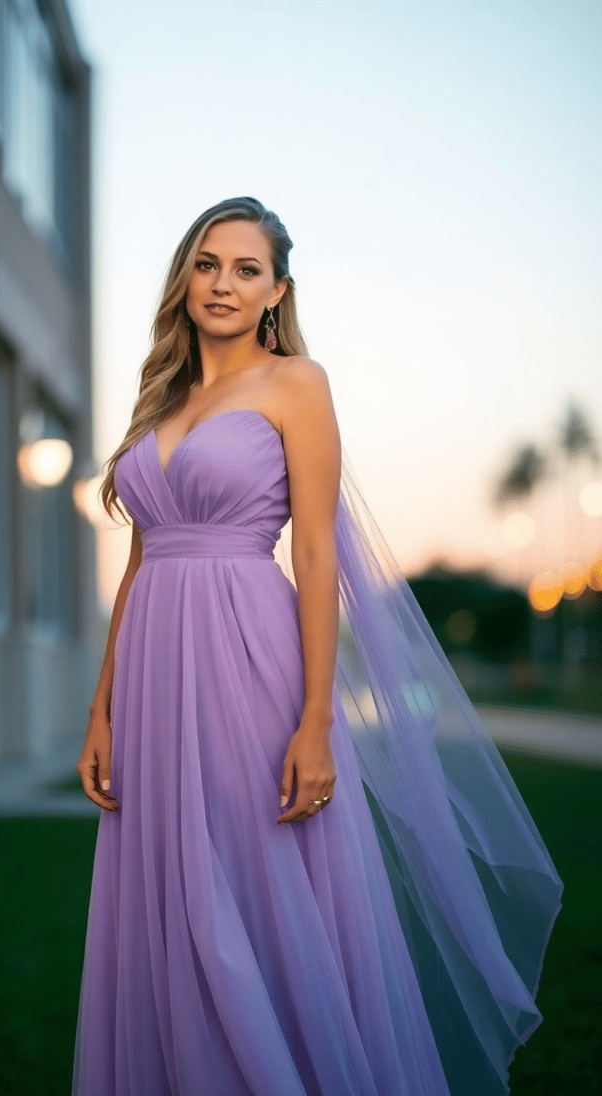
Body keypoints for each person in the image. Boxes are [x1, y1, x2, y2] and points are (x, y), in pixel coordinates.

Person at [72, 197, 562, 1096]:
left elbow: (314, 549)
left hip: (247, 654)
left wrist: (314, 722)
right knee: (168, 897)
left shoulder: (297, 384)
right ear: (185, 276)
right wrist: (102, 709)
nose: (223, 283)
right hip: (151, 671)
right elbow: (138, 565)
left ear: (276, 291)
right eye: (208, 263)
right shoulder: (163, 398)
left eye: (246, 269)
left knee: (247, 882)